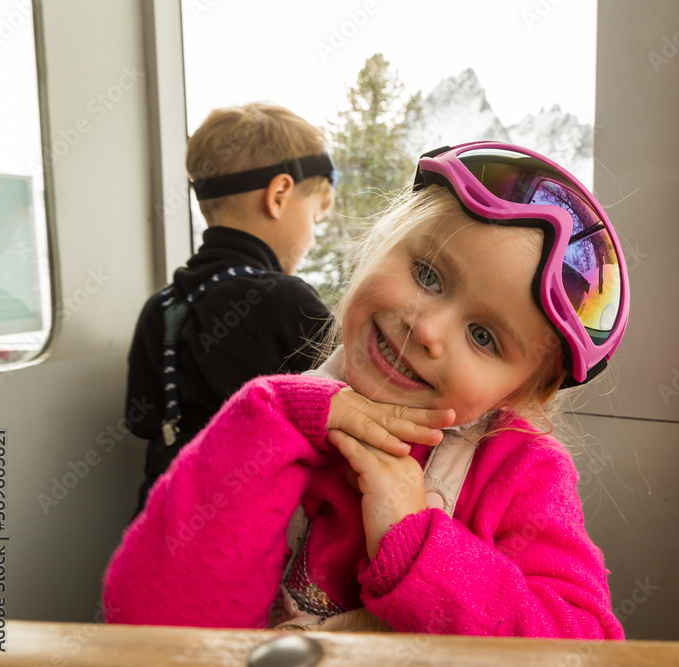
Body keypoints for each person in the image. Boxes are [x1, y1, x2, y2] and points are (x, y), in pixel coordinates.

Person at [104, 142, 630, 639]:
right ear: (378, 246)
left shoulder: (517, 470)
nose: (426, 330)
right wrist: (272, 422)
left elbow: (582, 647)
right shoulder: (273, 416)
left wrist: (414, 543)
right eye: (427, 274)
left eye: (483, 336)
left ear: (521, 394)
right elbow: (152, 625)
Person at [124, 103, 336, 515]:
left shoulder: (160, 307)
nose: (311, 239)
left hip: (160, 519)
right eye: (314, 217)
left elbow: (141, 422)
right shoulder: (287, 301)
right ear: (279, 196)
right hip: (248, 535)